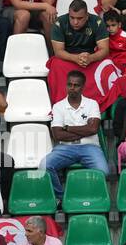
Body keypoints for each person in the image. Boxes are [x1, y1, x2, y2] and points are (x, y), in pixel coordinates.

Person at [41, 70, 108, 206]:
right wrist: (85, 129)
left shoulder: (92, 104)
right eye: (69, 84)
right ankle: (62, 198)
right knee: (44, 166)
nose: (72, 88)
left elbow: (93, 129)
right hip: (65, 147)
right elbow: (57, 135)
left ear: (82, 87)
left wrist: (68, 128)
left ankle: (87, 197)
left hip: (90, 147)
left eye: (76, 85)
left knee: (103, 171)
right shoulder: (58, 106)